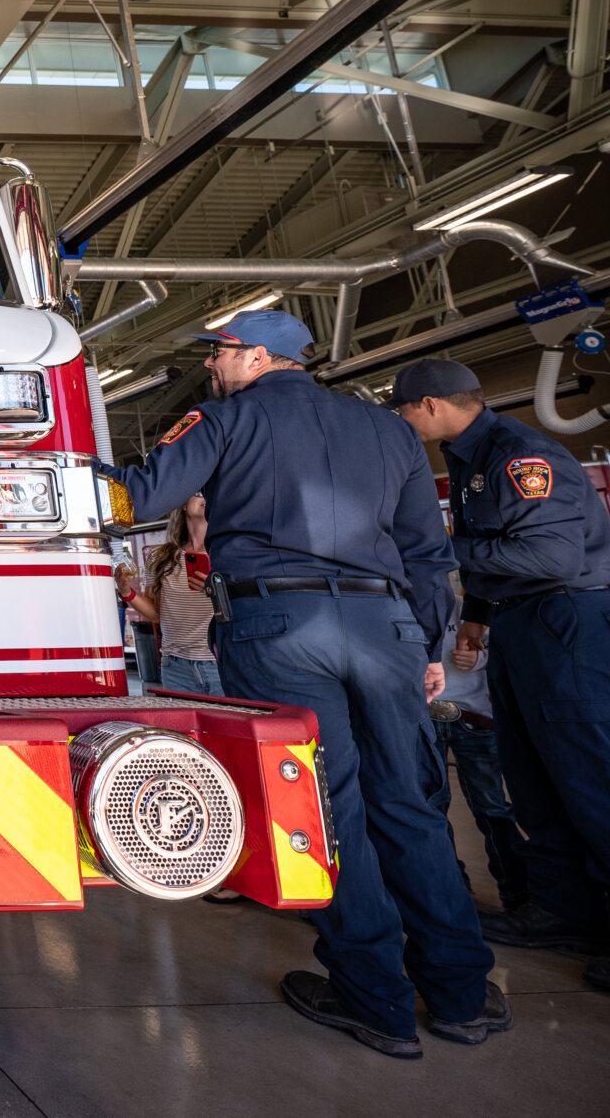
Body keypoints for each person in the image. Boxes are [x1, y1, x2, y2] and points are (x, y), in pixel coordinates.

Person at [97, 310, 501, 1059]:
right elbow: (426, 551)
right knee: (410, 805)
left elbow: (140, 498)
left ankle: (374, 998)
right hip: (386, 628)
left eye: (219, 353)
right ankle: (461, 995)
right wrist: (421, 643)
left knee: (326, 807)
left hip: (277, 627)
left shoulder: (224, 420)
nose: (211, 366)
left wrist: (75, 468)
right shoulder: (389, 430)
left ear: (258, 356)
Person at [392, 356, 610, 995]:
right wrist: (478, 615)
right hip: (518, 621)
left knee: (590, 772)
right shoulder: (469, 456)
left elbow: (552, 555)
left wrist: (439, 552)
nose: (404, 423)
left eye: (404, 411)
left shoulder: (518, 455)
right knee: (533, 772)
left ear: (430, 405)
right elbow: (503, 544)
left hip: (566, 621)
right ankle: (565, 909)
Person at [429, 624, 531, 914]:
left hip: (476, 719)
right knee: (433, 807)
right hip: (426, 716)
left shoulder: (476, 610)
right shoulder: (412, 606)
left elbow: (510, 648)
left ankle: (518, 894)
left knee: (492, 807)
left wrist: (479, 659)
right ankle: (453, 888)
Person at [116, 493, 223, 695]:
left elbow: (245, 606)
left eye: (207, 491)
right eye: (197, 492)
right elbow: (156, 613)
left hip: (219, 663)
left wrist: (217, 591)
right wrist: (127, 592)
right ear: (183, 505)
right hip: (175, 668)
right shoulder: (158, 557)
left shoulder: (226, 554)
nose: (203, 495)